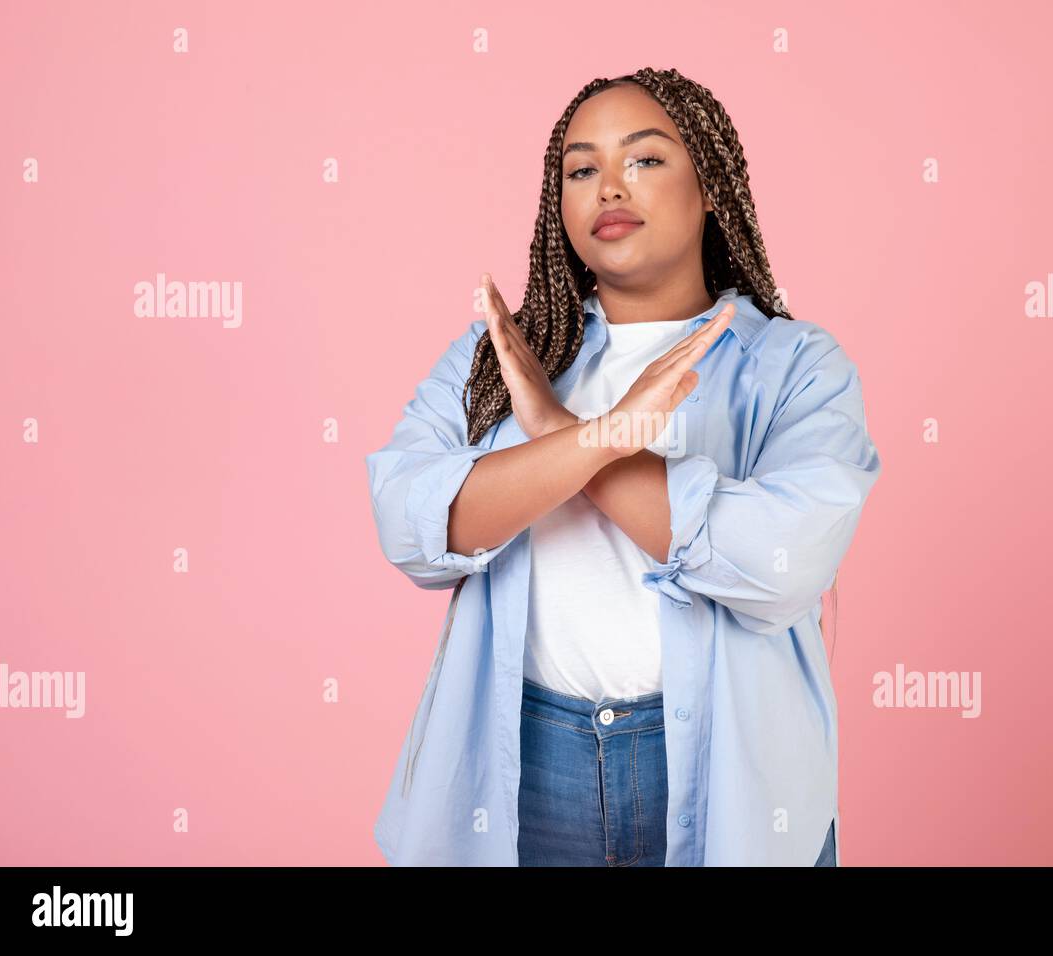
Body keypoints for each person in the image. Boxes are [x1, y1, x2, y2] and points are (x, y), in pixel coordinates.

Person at [365, 67, 882, 866]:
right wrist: (598, 437)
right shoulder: (498, 360)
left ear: (710, 185)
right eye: (580, 169)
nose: (609, 185)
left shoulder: (797, 366)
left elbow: (781, 566)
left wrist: (557, 435)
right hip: (526, 765)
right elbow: (413, 524)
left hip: (726, 769)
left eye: (643, 160)